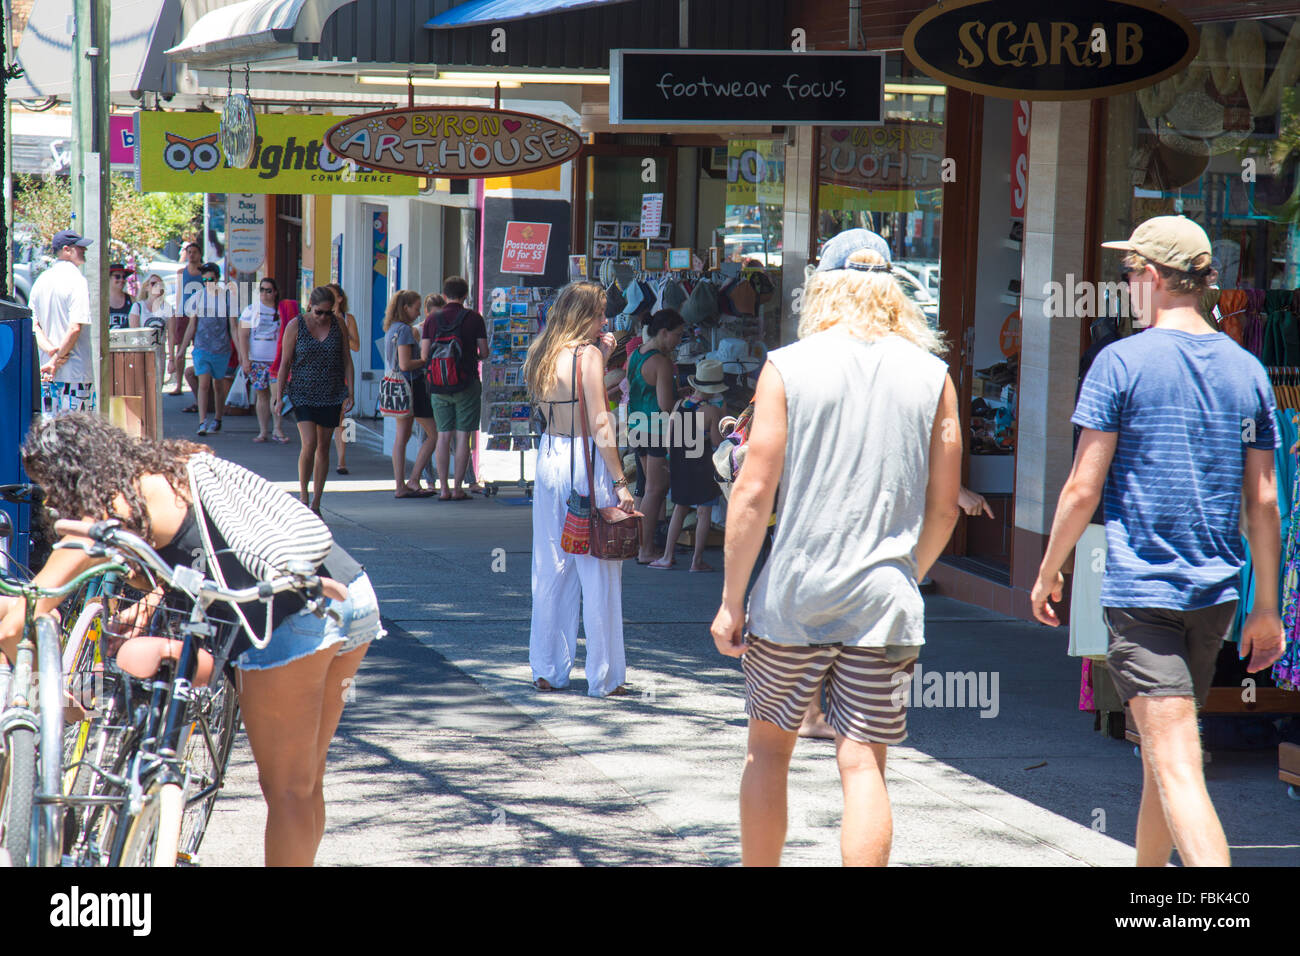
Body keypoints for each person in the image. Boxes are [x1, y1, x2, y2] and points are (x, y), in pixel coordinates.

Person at [5, 413, 382, 867]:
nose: (48, 503)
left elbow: (20, 618)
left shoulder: (103, 510)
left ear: (66, 479)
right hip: (347, 591)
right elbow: (205, 549)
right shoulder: (172, 467)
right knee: (304, 785)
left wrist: (47, 687)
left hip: (293, 617)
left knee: (286, 790)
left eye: (48, 489)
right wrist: (147, 606)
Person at [1031, 215, 1286, 867]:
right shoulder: (1247, 370)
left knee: (1176, 765)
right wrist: (1264, 609)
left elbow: (1082, 487)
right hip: (1213, 600)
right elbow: (1263, 501)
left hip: (1143, 595)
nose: (1123, 285)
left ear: (1150, 276)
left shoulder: (1120, 362)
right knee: (1161, 757)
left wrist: (1049, 569)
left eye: (1126, 274)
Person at [709, 229, 962, 867]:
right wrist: (908, 572)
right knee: (863, 760)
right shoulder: (933, 376)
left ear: (822, 286)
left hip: (794, 592)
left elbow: (753, 490)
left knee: (768, 751)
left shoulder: (789, 366)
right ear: (894, 290)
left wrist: (731, 600)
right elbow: (942, 505)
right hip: (885, 599)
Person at [522, 281, 635, 697]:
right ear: (583, 314)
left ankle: (548, 668)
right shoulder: (586, 355)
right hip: (583, 462)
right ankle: (604, 677)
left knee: (551, 566)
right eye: (600, 314)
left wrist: (601, 359)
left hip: (549, 456)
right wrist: (621, 482)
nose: (604, 322)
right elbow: (600, 422)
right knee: (599, 567)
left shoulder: (542, 351)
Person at [277, 286, 355, 514]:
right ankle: (303, 495)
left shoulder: (338, 325)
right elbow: (285, 363)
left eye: (328, 313)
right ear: (310, 305)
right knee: (309, 443)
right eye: (319, 312)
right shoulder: (295, 325)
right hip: (302, 391)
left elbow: (347, 359)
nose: (323, 317)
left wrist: (351, 392)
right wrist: (279, 396)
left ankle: (316, 502)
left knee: (323, 447)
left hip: (331, 392)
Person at [649, 358, 726, 572]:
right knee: (704, 512)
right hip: (702, 466)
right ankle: (696, 561)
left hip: (681, 465)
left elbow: (670, 439)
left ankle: (666, 556)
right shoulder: (711, 412)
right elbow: (719, 443)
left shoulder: (679, 405)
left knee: (680, 509)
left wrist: (671, 463)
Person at [421, 276, 488, 500]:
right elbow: (484, 352)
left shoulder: (432, 320)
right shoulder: (475, 318)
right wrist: (470, 357)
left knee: (443, 436)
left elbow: (424, 355)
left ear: (444, 294)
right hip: (467, 383)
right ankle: (458, 488)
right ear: (466, 295)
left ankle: (443, 489)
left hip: (438, 385)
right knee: (463, 437)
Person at [627, 310, 685, 563]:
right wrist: (683, 398)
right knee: (655, 489)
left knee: (648, 489)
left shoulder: (635, 354)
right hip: (655, 430)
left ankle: (640, 545)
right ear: (663, 332)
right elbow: (665, 404)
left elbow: (643, 390)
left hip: (636, 426)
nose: (679, 340)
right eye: (678, 335)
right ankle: (645, 549)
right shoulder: (661, 362)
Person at [29, 229, 96, 417]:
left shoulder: (41, 281)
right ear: (67, 250)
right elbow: (75, 327)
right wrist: (57, 360)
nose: (84, 250)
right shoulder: (77, 281)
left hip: (47, 375)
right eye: (80, 247)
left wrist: (51, 352)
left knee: (50, 433)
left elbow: (34, 326)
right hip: (76, 374)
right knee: (78, 437)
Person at [382, 290, 438, 498]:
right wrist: (424, 359)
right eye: (415, 308)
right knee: (435, 434)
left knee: (402, 437)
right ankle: (413, 479)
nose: (418, 313)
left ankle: (400, 485)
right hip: (412, 385)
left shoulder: (392, 329)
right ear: (405, 308)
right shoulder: (405, 330)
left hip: (396, 387)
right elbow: (406, 364)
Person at [178, 263, 238, 436]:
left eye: (210, 279)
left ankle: (217, 419)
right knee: (203, 384)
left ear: (217, 279)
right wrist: (181, 350)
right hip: (201, 347)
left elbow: (233, 327)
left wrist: (241, 353)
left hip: (221, 349)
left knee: (218, 385)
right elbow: (192, 326)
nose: (207, 283)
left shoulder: (228, 298)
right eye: (204, 280)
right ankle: (202, 422)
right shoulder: (197, 297)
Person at [238, 277, 286, 444]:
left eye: (269, 290)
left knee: (276, 394)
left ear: (275, 292)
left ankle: (277, 428)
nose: (265, 293)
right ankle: (263, 431)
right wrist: (245, 359)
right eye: (262, 290)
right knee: (261, 395)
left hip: (276, 360)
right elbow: (242, 336)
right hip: (256, 359)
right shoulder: (250, 310)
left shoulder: (282, 311)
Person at [327, 283, 360, 476]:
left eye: (331, 296)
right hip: (324, 373)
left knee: (342, 419)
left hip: (341, 373)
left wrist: (341, 331)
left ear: (340, 299)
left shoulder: (349, 319)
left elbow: (355, 346)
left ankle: (341, 461)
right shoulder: (318, 318)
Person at [174, 241, 205, 396]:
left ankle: (199, 383)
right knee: (180, 348)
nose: (191, 255)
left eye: (194, 252)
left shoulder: (205, 273)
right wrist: (178, 312)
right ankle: (178, 384)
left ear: (200, 254)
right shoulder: (181, 272)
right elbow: (179, 294)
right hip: (184, 314)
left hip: (201, 315)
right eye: (189, 252)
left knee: (199, 348)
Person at [106, 263, 135, 329]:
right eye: (117, 276)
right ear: (108, 278)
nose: (121, 280)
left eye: (124, 277)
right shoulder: (101, 301)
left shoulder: (132, 300)